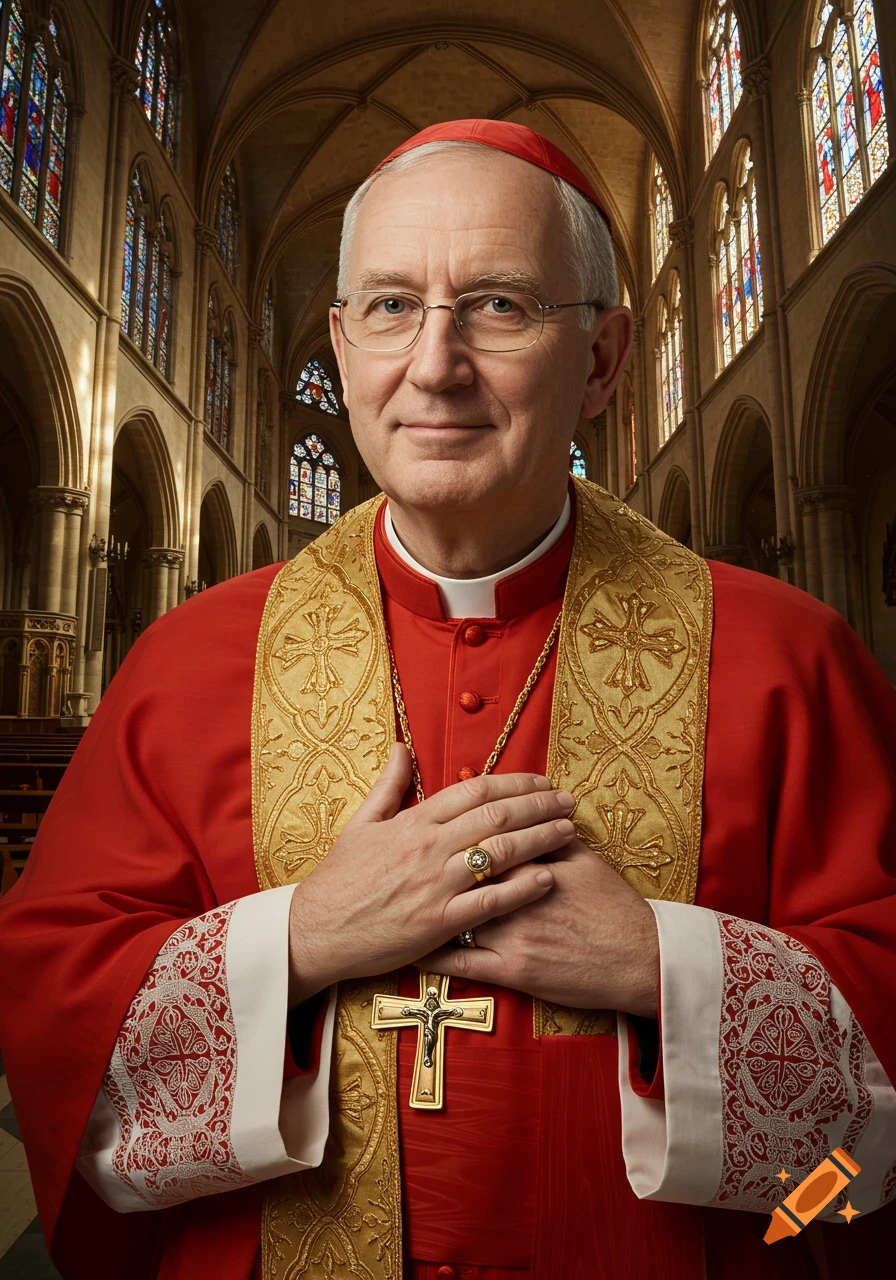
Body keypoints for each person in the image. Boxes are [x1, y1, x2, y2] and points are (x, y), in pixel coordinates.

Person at [1, 119, 895, 1280]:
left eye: (499, 304)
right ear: (338, 339)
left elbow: (866, 1150)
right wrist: (298, 938)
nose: (432, 363)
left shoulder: (787, 657)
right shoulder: (183, 664)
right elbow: (55, 1028)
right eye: (386, 307)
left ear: (605, 358)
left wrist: (662, 966)